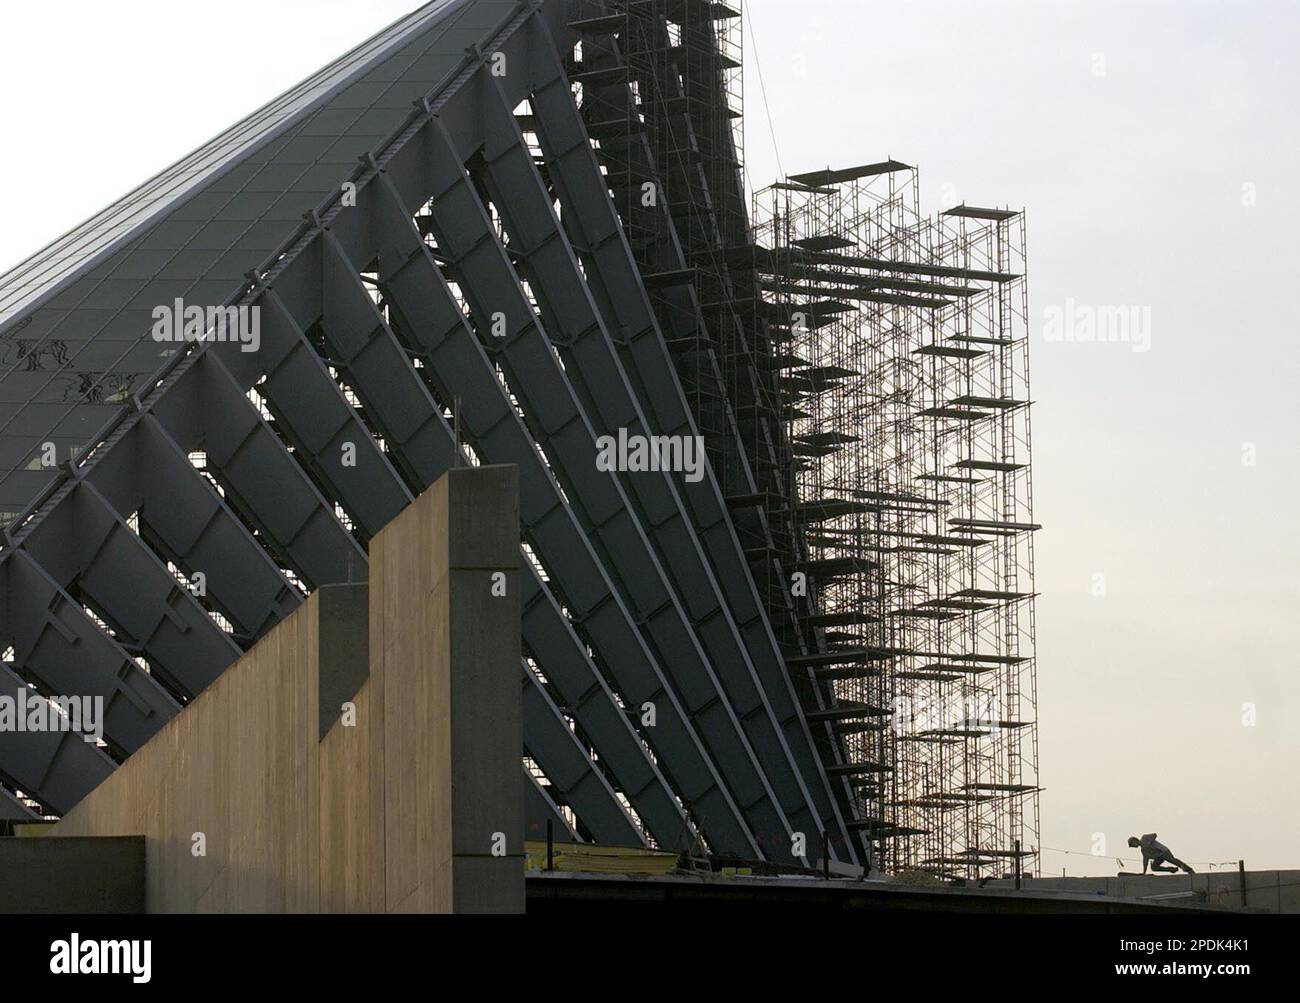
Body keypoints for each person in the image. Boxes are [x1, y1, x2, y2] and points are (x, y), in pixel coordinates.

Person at [1128, 833, 1195, 874]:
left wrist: (1149, 843)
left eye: (1133, 844)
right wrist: (1144, 872)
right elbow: (1145, 862)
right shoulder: (1143, 851)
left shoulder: (1144, 838)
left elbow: (1154, 835)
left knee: (1173, 861)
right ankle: (1171, 869)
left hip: (1164, 852)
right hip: (1158, 857)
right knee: (1154, 868)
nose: (1134, 846)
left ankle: (1189, 870)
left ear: (1135, 840)